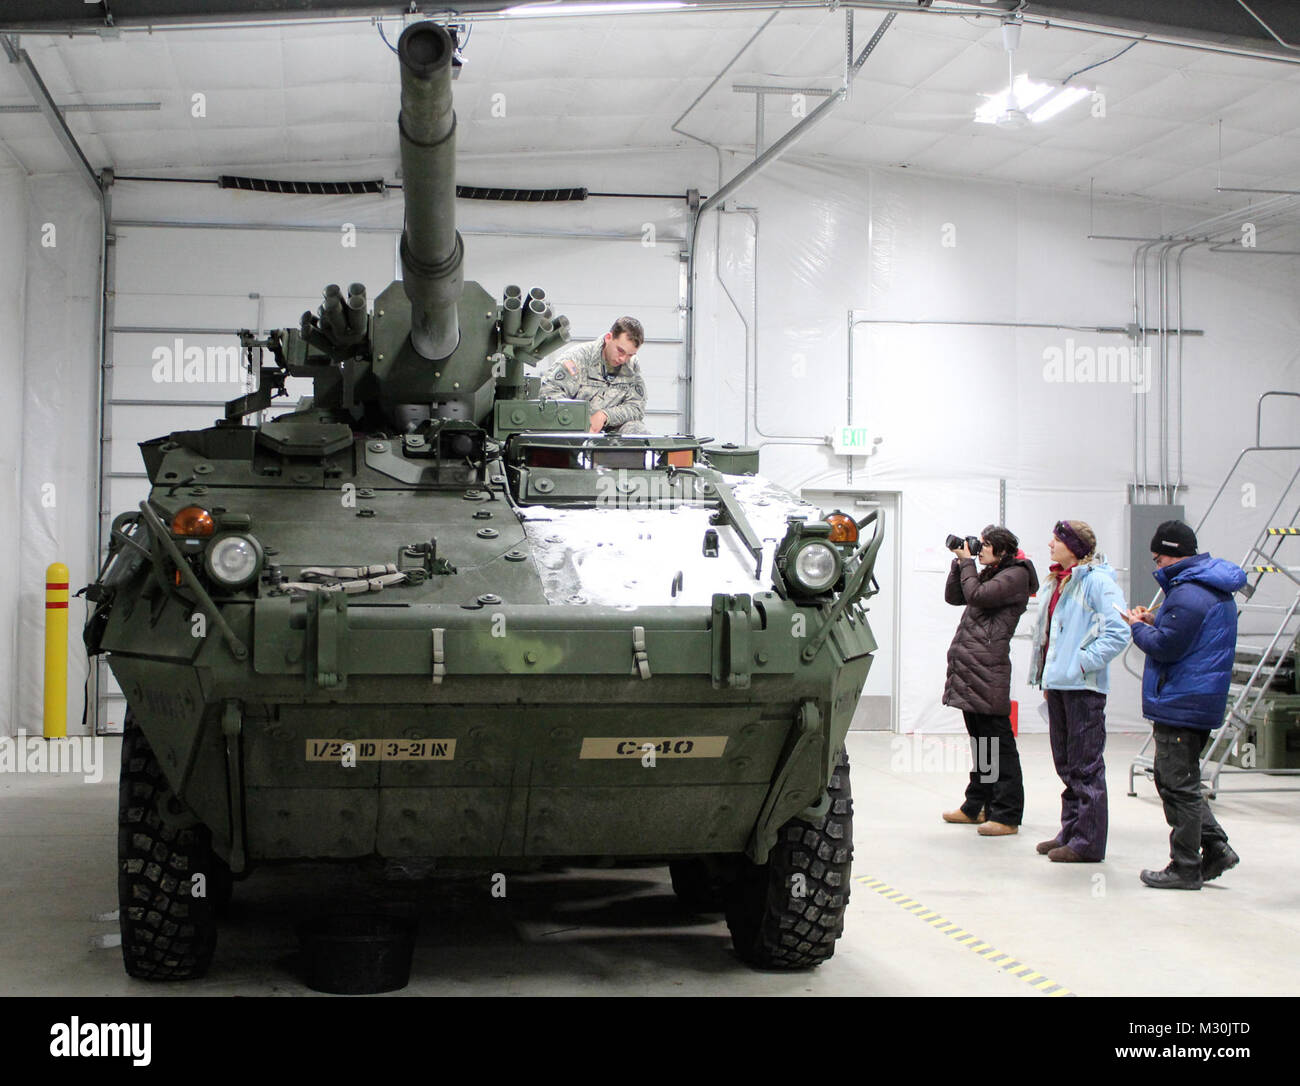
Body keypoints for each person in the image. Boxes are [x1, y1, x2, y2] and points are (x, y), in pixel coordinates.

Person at [1121, 520, 1245, 890]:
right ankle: (1216, 848)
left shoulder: (1189, 592)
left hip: (1183, 700)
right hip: (1194, 698)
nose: (1156, 567)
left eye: (1157, 559)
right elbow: (1185, 629)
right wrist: (1155, 618)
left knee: (1178, 785)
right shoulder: (1205, 586)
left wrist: (1137, 626)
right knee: (1174, 779)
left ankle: (1186, 866)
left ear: (1170, 555)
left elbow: (1166, 645)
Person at [1028, 520, 1130, 863]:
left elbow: (1118, 632)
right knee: (1066, 764)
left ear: (1073, 546)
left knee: (1085, 766)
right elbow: (1048, 635)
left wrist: (1082, 663)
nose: (1050, 545)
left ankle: (1088, 841)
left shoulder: (1098, 583)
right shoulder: (1058, 581)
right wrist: (1047, 677)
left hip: (1084, 687)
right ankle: (1070, 830)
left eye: (1056, 539)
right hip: (1059, 685)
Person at [941, 526, 1039, 836]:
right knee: (981, 744)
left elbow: (977, 596)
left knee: (999, 746)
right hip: (973, 669)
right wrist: (959, 563)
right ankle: (977, 806)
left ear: (1002, 550)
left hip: (989, 670)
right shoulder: (991, 571)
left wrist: (968, 563)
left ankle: (1007, 815)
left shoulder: (1015, 576)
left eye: (985, 546)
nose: (979, 550)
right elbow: (955, 596)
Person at [538, 316, 648, 434]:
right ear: (608, 338)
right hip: (572, 429)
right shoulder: (578, 358)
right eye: (620, 351)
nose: (623, 359)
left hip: (609, 434)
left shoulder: (631, 366)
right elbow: (549, 392)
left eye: (630, 355)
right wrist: (581, 421)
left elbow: (636, 407)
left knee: (637, 429)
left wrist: (604, 416)